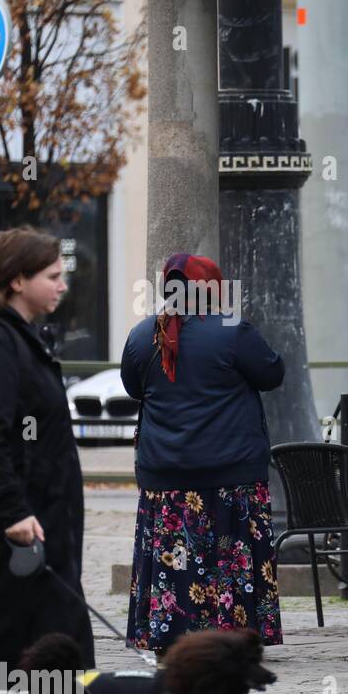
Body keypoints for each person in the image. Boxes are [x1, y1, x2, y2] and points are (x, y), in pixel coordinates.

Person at [0, 227, 128, 694]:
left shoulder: (25, 338)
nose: (63, 285)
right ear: (17, 280)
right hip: (18, 533)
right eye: (52, 276)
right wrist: (13, 511)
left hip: (45, 526)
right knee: (18, 643)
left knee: (59, 643)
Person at [120, 253, 286, 655]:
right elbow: (272, 373)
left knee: (174, 558)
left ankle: (168, 631)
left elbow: (131, 387)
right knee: (230, 555)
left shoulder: (144, 335)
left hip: (166, 476)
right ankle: (233, 632)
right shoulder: (232, 330)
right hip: (231, 475)